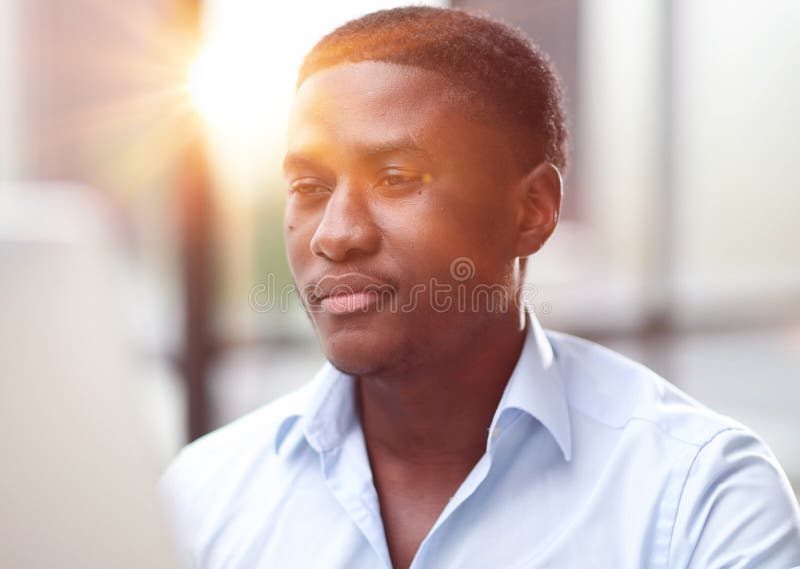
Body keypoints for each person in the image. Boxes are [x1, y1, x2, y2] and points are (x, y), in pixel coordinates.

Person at [159, 6, 800, 568]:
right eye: (308, 188)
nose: (335, 234)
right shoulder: (204, 495)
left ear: (533, 210)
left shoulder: (699, 496)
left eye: (397, 177)